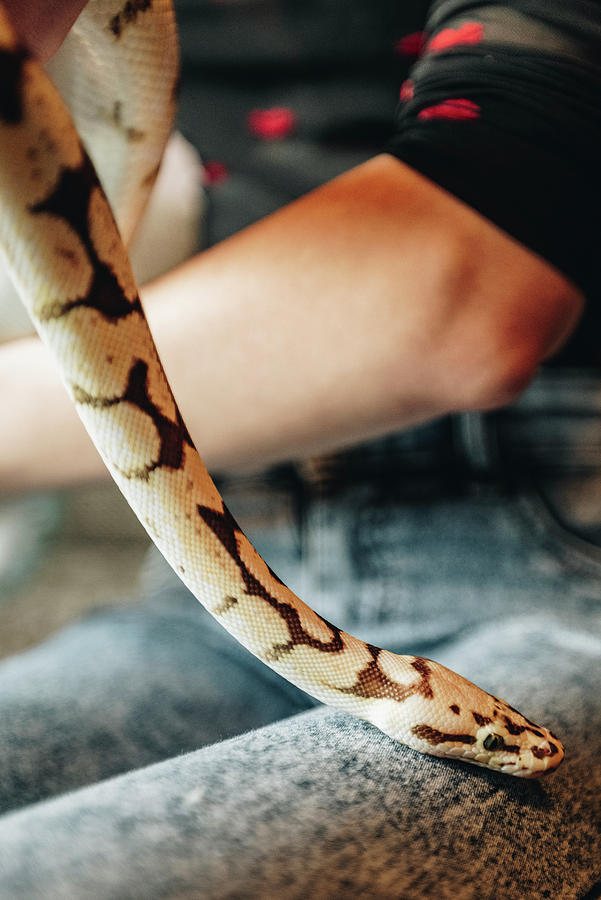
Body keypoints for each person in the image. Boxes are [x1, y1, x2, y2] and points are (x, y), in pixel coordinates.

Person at [0, 1, 599, 897]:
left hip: (557, 576)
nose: (506, 740)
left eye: (482, 731)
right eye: (486, 732)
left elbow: (466, 295)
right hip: (230, 566)